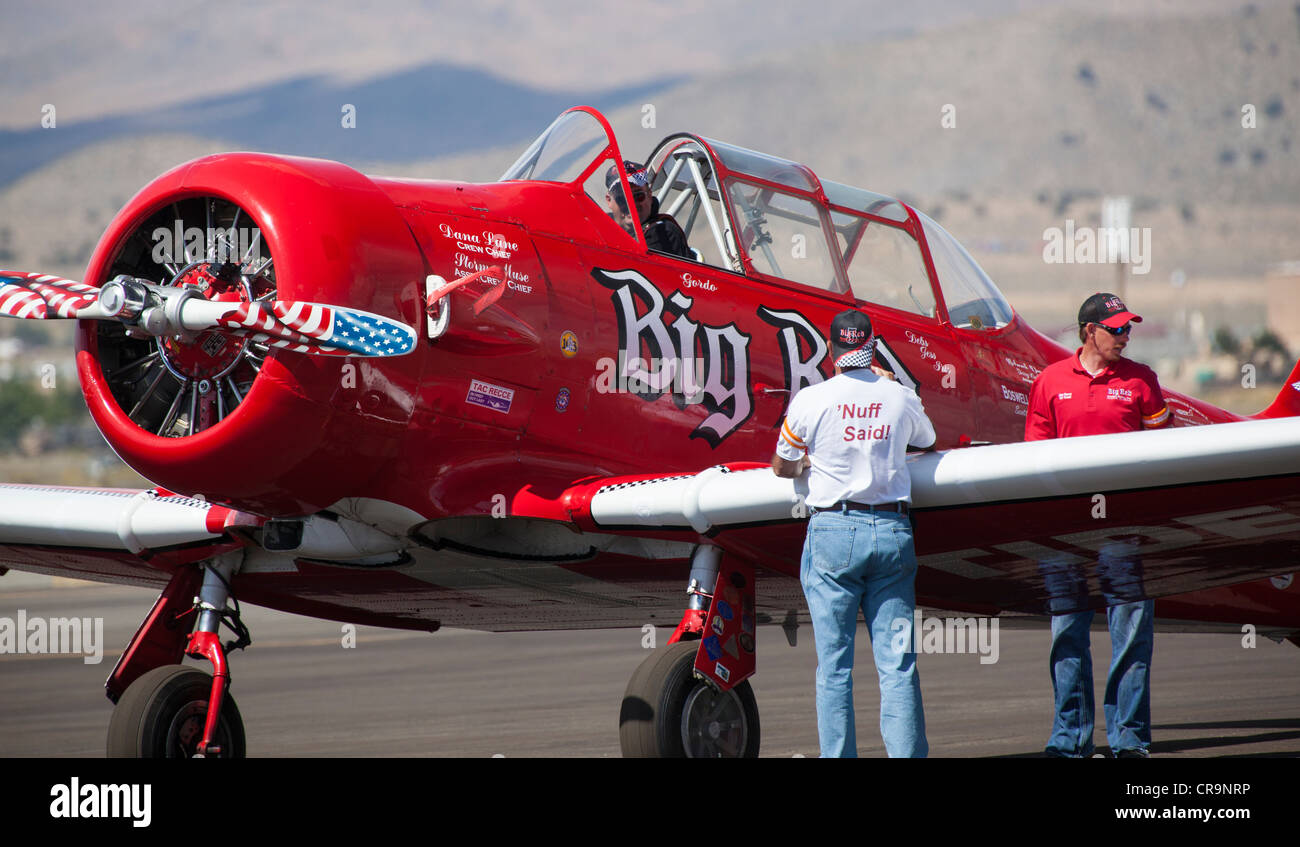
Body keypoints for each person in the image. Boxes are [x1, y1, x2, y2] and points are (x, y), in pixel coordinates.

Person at [771, 309, 936, 758]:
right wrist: (888, 386)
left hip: (833, 532)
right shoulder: (898, 396)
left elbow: (782, 465)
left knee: (835, 668)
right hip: (891, 529)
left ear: (831, 348)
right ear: (871, 346)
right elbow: (926, 438)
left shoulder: (812, 399)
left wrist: (810, 464)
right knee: (898, 666)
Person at [1025, 292, 1170, 758]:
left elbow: (1165, 453)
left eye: (1129, 329)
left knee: (1131, 638)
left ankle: (1129, 740)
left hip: (1126, 532)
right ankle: (1070, 739)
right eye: (1117, 329)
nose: (1126, 337)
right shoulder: (1048, 382)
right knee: (1067, 635)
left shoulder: (1142, 380)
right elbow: (1034, 459)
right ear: (1090, 331)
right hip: (1066, 533)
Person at [604, 161, 692, 260]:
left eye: (638, 196)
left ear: (649, 195)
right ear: (609, 200)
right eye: (622, 199)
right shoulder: (600, 226)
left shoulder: (662, 232)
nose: (631, 204)